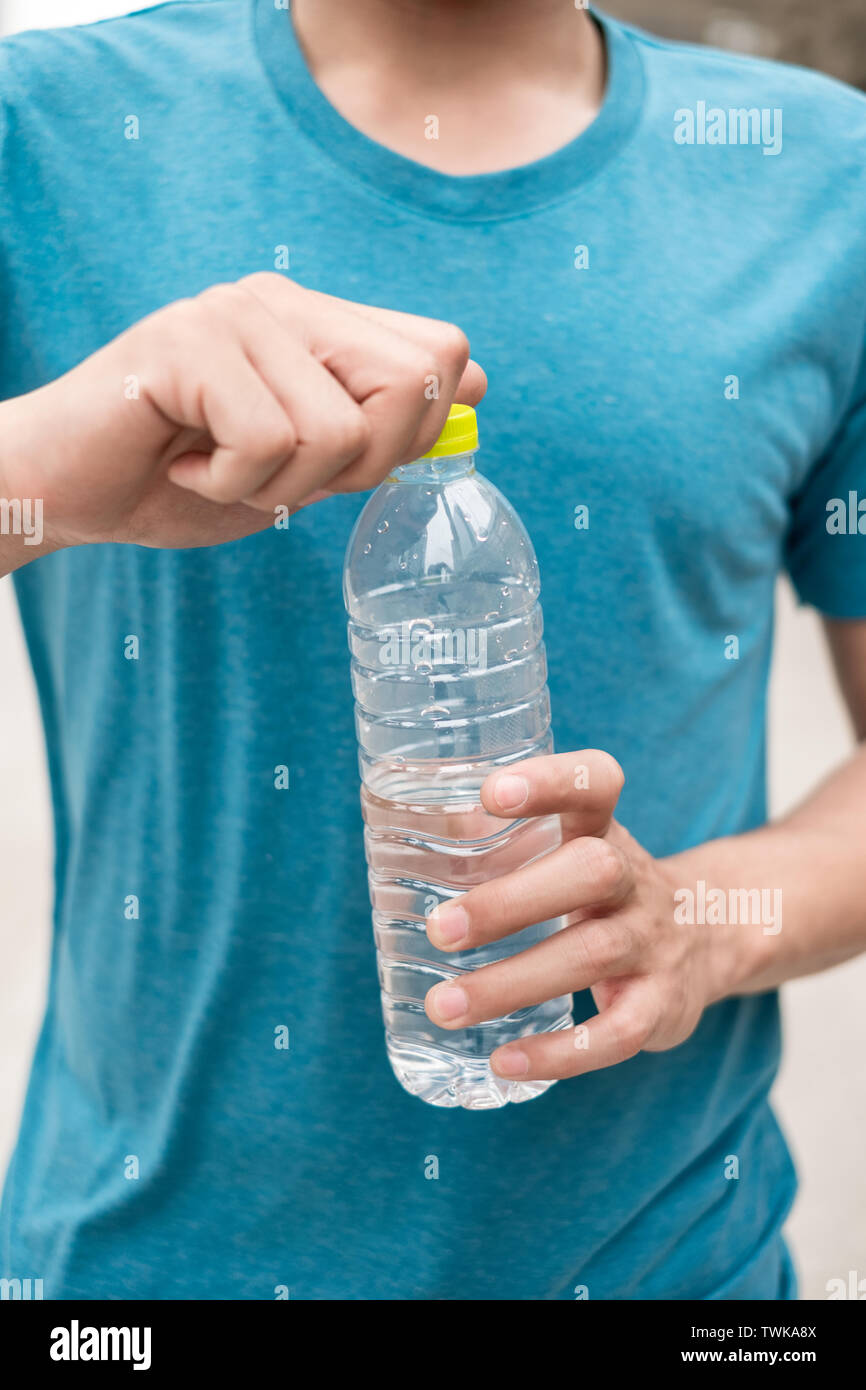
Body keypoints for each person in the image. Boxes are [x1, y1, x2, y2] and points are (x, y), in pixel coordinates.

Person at [1, 0, 865, 1301]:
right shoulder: (40, 127)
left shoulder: (824, 177)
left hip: (674, 1275)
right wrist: (34, 469)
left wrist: (704, 922)